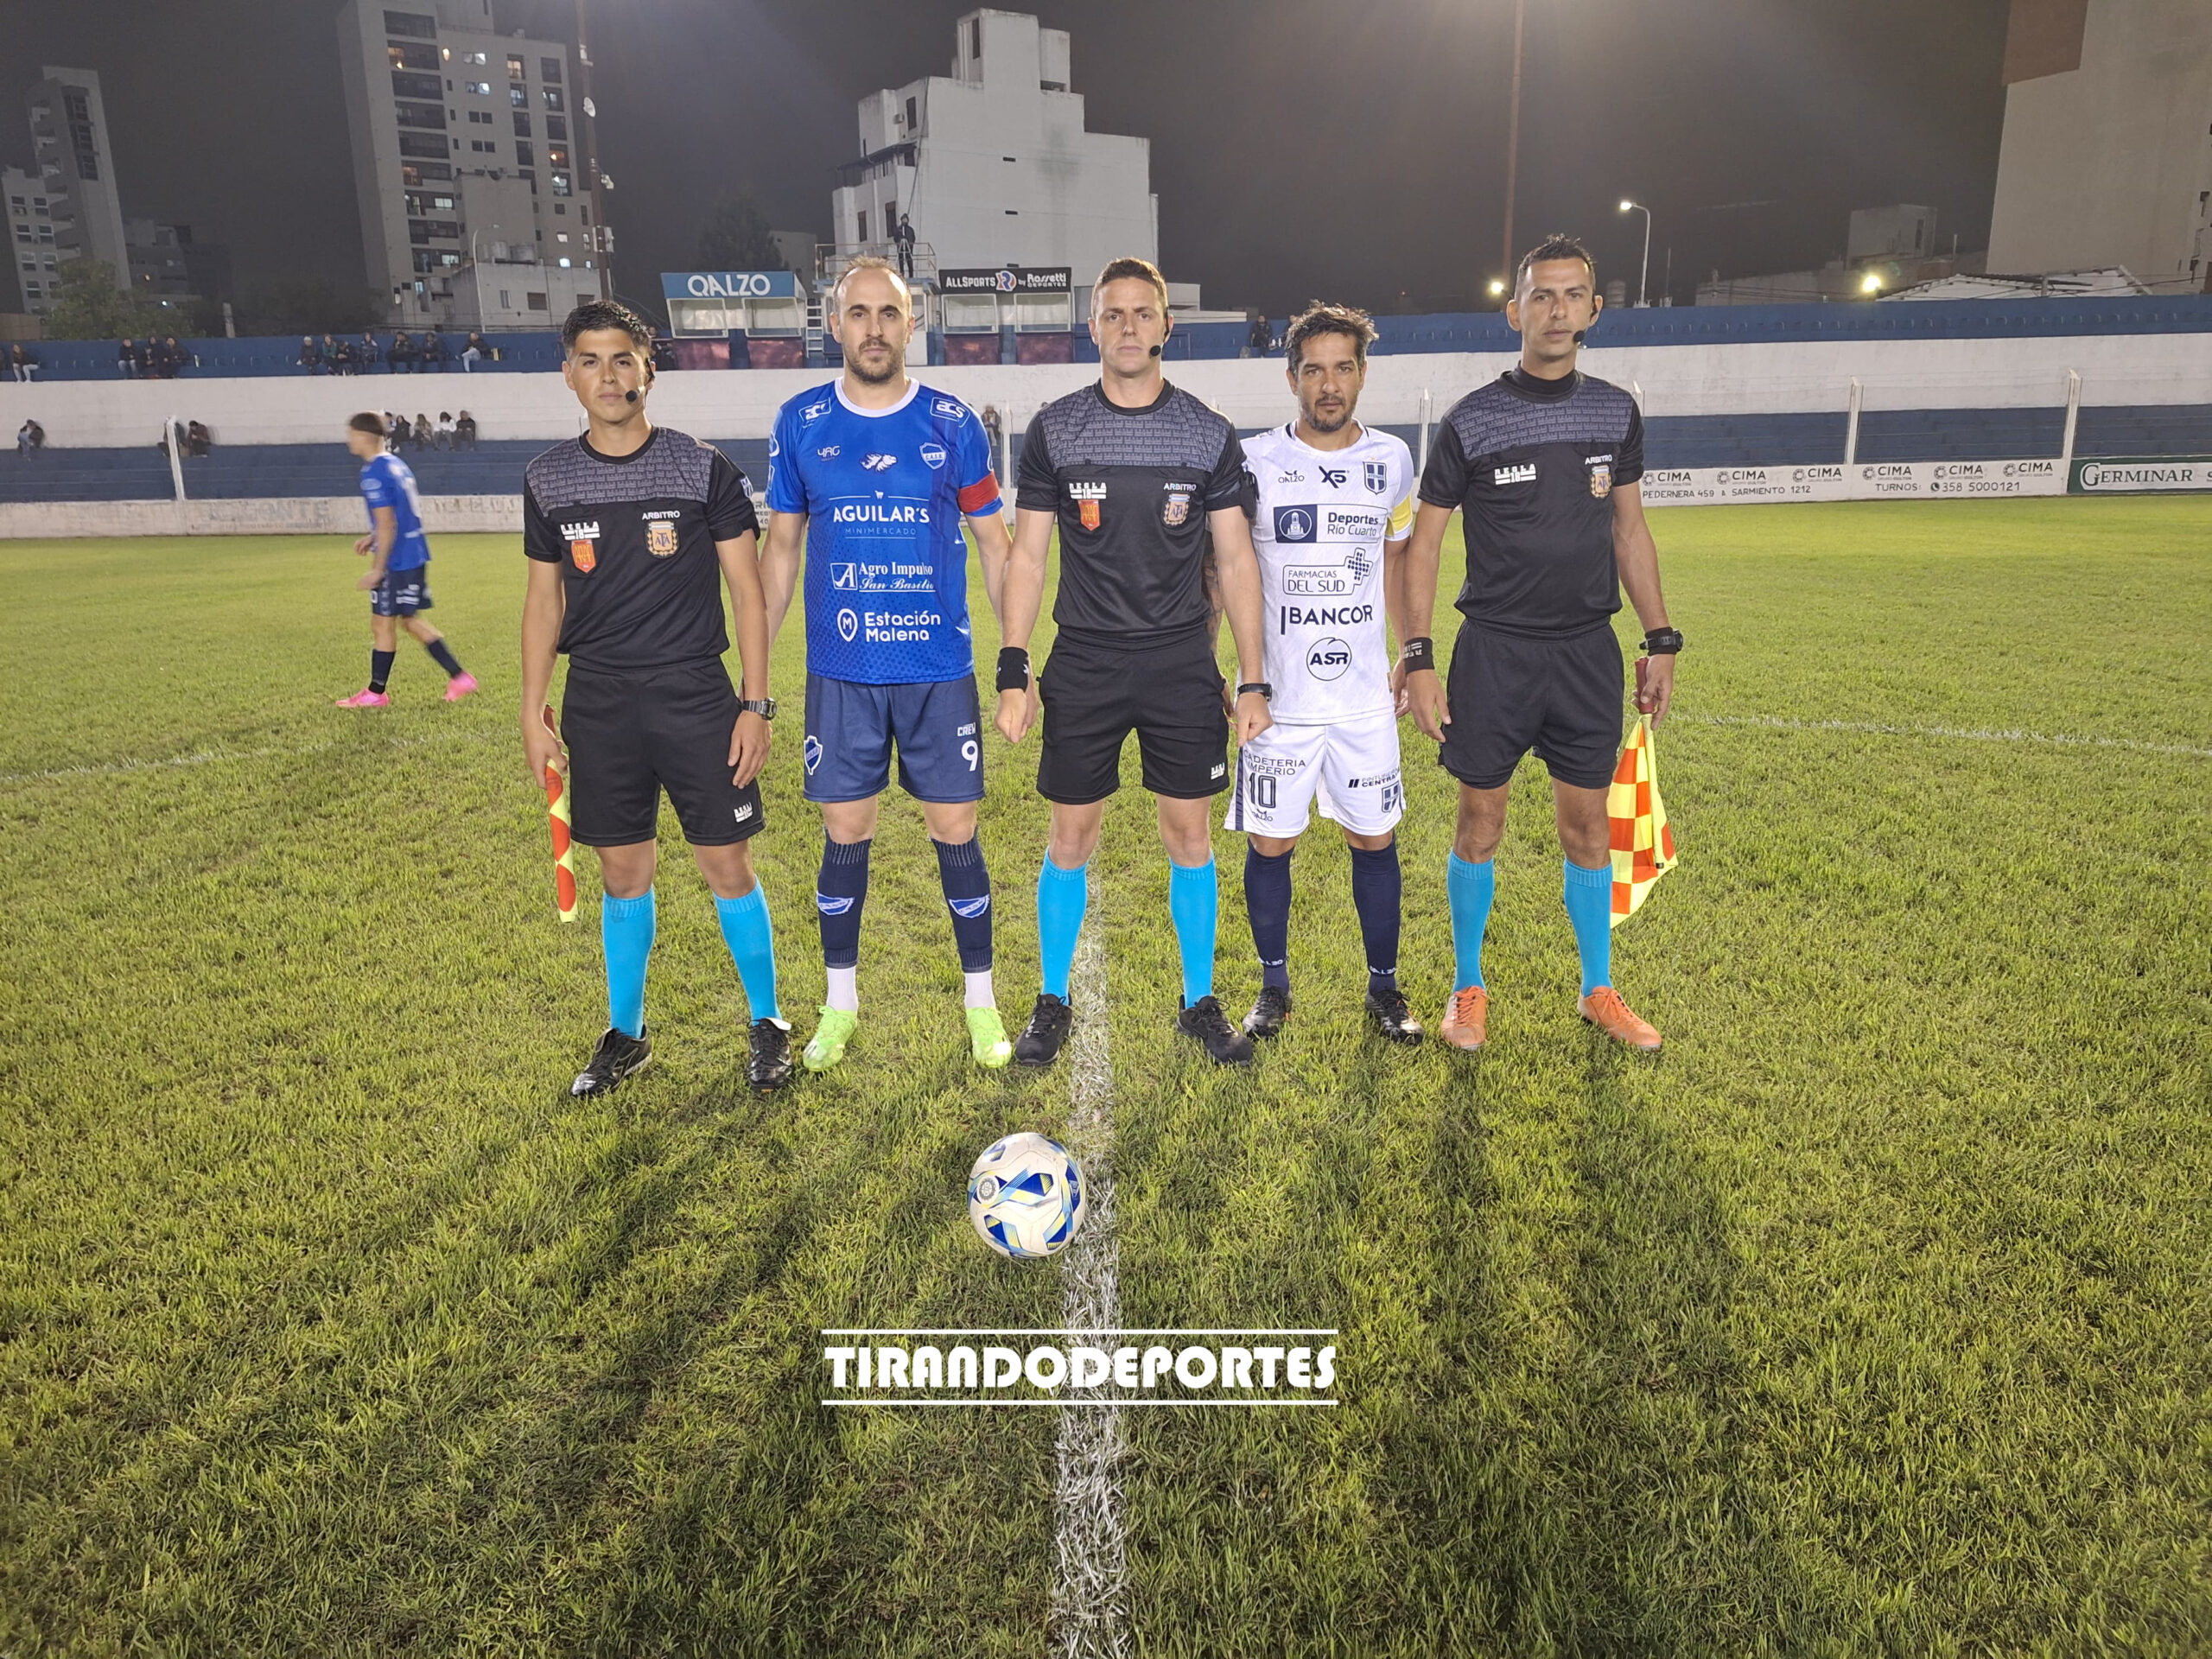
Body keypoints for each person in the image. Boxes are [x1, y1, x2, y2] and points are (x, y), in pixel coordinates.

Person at [1399, 234, 1681, 1054]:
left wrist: (1660, 636)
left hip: (1585, 653)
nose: (1557, 311)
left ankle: (1598, 988)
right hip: (1495, 653)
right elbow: (1424, 545)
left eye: (1573, 295)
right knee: (1480, 822)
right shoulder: (1473, 419)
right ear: (1513, 310)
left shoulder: (1615, 412)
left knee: (1588, 828)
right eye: (1542, 295)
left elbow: (1629, 531)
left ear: (1595, 309)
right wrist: (1418, 657)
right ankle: (1467, 987)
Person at [995, 256, 1274, 1068]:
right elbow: (1028, 558)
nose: (1127, 326)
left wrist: (1251, 679)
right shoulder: (1056, 429)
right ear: (1093, 327)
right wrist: (1014, 666)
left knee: (1189, 833)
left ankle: (1198, 1000)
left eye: (1142, 313)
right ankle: (1053, 998)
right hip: (1083, 660)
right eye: (1112, 313)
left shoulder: (1206, 431)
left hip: (1180, 660)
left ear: (1165, 326)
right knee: (1070, 834)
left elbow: (1235, 562)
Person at [520, 298, 791, 1095]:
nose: (609, 376)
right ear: (569, 375)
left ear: (649, 371)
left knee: (726, 862)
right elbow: (543, 600)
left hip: (694, 694)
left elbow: (748, 592)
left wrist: (755, 704)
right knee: (622, 871)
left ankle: (768, 1022)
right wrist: (532, 709)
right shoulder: (547, 479)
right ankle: (627, 1034)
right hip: (599, 700)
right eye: (591, 361)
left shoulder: (702, 469)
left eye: (623, 360)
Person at [759, 256, 1019, 1074]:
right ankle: (839, 1006)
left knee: (956, 829)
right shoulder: (801, 422)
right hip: (842, 669)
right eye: (858, 312)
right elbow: (781, 551)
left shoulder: (952, 422)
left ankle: (980, 1003)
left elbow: (995, 545)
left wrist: (1015, 660)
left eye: (889, 313)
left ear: (913, 323)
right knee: (846, 830)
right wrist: (755, 677)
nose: (873, 328)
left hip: (938, 667)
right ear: (834, 324)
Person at [1232, 302, 1422, 1046]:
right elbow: (1228, 568)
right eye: (1314, 370)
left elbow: (1397, 561)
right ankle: (1273, 987)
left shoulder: (1393, 460)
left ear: (1362, 373)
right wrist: (1238, 677)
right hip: (1278, 701)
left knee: (1374, 839)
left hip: (1363, 699)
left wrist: (1410, 651)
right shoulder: (1253, 461)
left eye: (1343, 368)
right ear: (1292, 379)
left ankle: (1384, 987)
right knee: (1269, 845)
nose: (1329, 384)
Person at [334, 410, 479, 710]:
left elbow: (388, 523)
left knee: (383, 623)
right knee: (408, 621)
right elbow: (398, 515)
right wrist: (372, 536)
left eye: (351, 435)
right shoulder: (396, 464)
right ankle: (459, 677)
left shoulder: (373, 473)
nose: (349, 441)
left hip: (397, 561)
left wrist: (378, 568)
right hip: (415, 553)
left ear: (364, 436)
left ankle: (377, 693)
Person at [893, 212, 917, 281]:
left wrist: (910, 244)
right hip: (900, 248)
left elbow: (913, 238)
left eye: (906, 219)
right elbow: (895, 238)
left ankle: (911, 276)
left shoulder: (910, 229)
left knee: (909, 261)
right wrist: (899, 243)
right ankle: (902, 275)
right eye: (903, 219)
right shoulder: (898, 229)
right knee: (901, 261)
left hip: (908, 248)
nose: (905, 220)